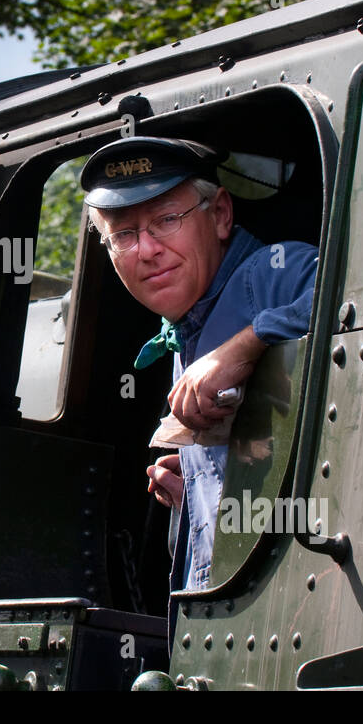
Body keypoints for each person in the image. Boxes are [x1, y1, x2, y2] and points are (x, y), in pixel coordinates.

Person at [79, 136, 317, 596]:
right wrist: (200, 486)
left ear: (221, 214)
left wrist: (246, 345)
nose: (146, 249)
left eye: (167, 220)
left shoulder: (267, 275)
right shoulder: (188, 325)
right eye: (123, 235)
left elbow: (360, 295)